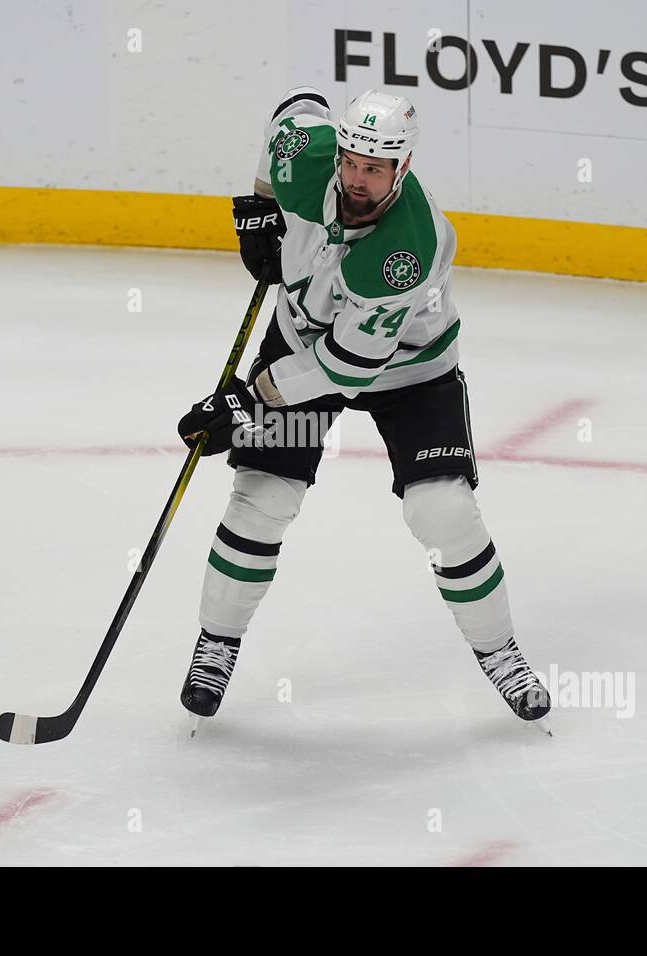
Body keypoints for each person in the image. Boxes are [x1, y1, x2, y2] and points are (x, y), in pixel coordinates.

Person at [176, 86, 550, 733]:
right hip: (299, 336)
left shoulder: (406, 251)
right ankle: (217, 642)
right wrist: (262, 207)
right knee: (261, 499)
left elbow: (344, 369)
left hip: (409, 373)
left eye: (375, 169)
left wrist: (248, 399)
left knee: (443, 511)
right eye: (352, 160)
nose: (357, 177)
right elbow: (291, 113)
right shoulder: (310, 156)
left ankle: (500, 651)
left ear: (402, 169)